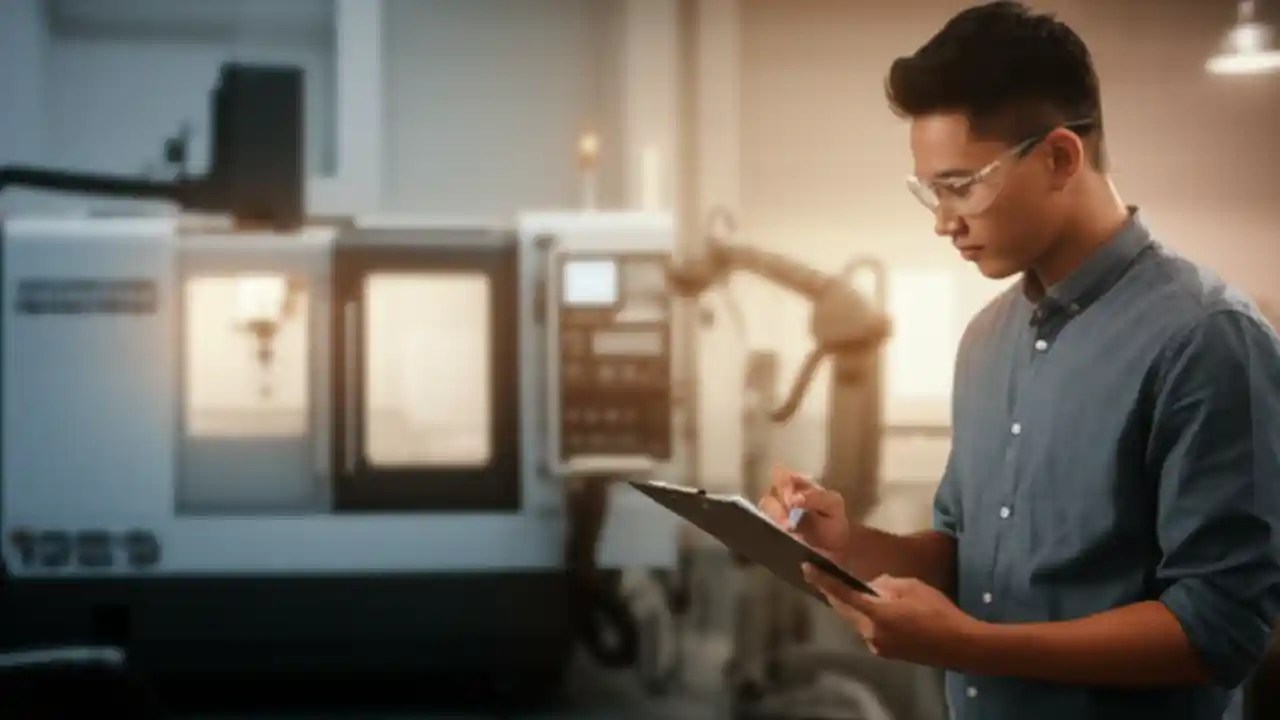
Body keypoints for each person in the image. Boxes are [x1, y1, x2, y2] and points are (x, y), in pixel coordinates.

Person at [758, 2, 1280, 719]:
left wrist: (973, 646)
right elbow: (963, 553)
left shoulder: (1208, 339)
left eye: (961, 184)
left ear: (1061, 157)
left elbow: (1220, 629)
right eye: (928, 192)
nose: (943, 221)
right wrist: (848, 542)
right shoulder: (986, 340)